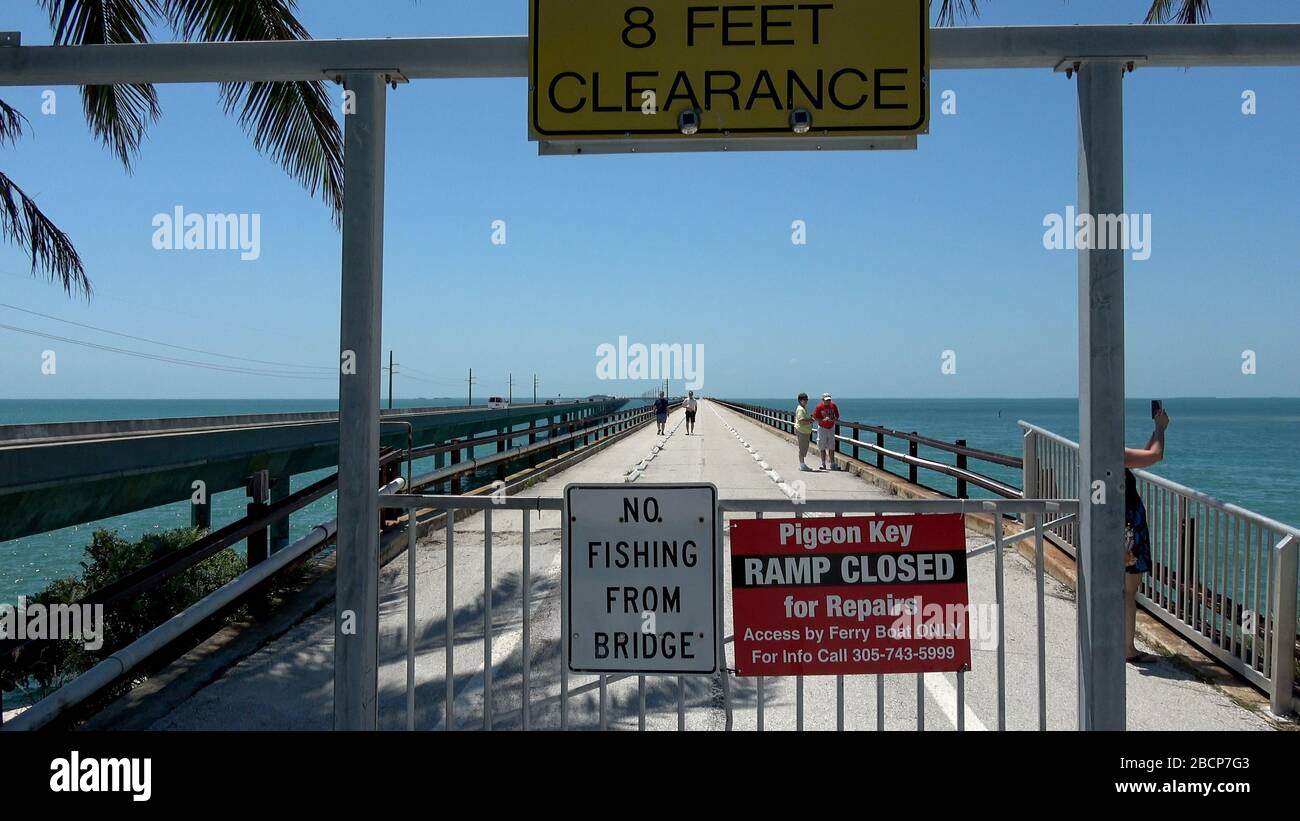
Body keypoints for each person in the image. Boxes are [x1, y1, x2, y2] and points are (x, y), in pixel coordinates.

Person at [1122, 405, 1169, 664]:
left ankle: (1118, 642)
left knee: (1120, 588)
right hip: (1128, 529)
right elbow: (1155, 456)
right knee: (1129, 590)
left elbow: (1145, 455)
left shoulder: (1098, 451)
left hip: (1117, 526)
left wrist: (1155, 430)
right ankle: (1127, 647)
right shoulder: (1112, 454)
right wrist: (1161, 429)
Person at [812, 392, 840, 471]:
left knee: (832, 446)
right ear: (822, 400)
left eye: (829, 400)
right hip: (822, 428)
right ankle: (823, 463)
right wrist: (822, 420)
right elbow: (814, 416)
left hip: (831, 428)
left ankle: (832, 463)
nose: (828, 402)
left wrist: (833, 419)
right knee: (822, 446)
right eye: (826, 400)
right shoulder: (819, 407)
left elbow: (837, 415)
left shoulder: (833, 405)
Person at [793, 393, 814, 471]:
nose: (805, 401)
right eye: (803, 399)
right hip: (802, 431)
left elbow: (804, 419)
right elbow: (801, 421)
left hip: (804, 431)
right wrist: (810, 421)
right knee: (802, 448)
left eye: (806, 399)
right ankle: (802, 465)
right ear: (800, 400)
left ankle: (802, 464)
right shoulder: (800, 409)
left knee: (804, 448)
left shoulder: (803, 408)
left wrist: (810, 418)